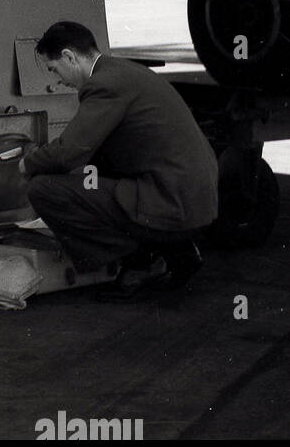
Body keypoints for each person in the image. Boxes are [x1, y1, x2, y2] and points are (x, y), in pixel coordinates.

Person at [20, 20, 218, 299]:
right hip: (193, 201)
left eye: (54, 69)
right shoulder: (124, 71)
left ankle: (141, 261)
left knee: (43, 190)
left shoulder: (103, 85)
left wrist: (28, 162)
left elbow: (69, 153)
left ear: (69, 57)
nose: (57, 80)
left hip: (173, 203)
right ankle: (174, 249)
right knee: (92, 175)